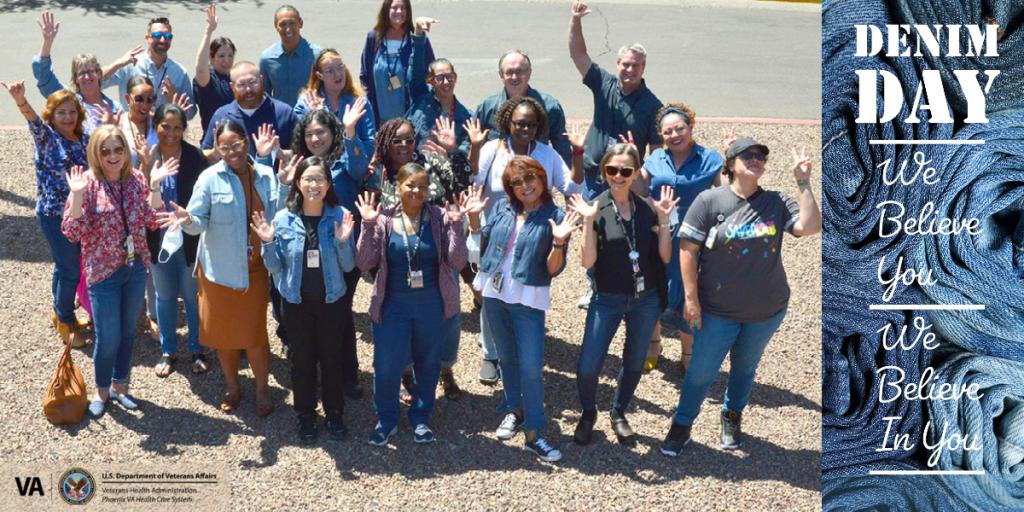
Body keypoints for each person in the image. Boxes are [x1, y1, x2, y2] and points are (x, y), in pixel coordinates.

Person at [660, 139, 821, 456]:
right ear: (731, 164)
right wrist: (691, 299)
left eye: (760, 156)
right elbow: (687, 252)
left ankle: (731, 416)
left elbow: (809, 227)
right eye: (748, 155)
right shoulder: (710, 201)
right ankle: (682, 424)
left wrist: (803, 183)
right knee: (701, 372)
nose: (756, 160)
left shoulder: (776, 201)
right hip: (718, 310)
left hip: (766, 309)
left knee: (745, 369)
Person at [158, 120, 286, 417]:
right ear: (217, 148)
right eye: (224, 147)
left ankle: (263, 388)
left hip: (254, 269)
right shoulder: (209, 178)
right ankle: (232, 386)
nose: (232, 152)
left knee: (255, 334)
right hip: (218, 272)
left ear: (246, 142)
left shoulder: (266, 175)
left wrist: (273, 232)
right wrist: (187, 221)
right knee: (224, 336)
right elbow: (198, 221)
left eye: (236, 144)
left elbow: (280, 214)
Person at [466, 158, 581, 462]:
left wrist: (558, 243)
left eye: (529, 178)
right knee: (506, 357)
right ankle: (513, 410)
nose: (524, 186)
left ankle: (535, 434)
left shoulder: (555, 216)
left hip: (528, 297)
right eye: (516, 182)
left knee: (531, 368)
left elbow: (553, 270)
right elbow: (481, 245)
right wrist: (474, 220)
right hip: (494, 292)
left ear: (542, 179)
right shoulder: (504, 208)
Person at [61, 124, 178, 417]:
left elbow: (151, 219)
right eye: (106, 151)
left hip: (135, 267)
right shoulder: (87, 184)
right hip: (102, 274)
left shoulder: (136, 178)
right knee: (108, 337)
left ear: (126, 152)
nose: (113, 156)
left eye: (118, 150)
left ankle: (120, 387)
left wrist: (155, 186)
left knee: (127, 333)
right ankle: (100, 391)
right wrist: (76, 196)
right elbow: (72, 231)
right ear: (96, 154)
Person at [464, 98, 584, 385]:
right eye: (519, 123)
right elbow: (474, 174)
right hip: (494, 234)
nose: (525, 128)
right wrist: (475, 146)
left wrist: (577, 152)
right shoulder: (492, 149)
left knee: (525, 294)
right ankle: (491, 354)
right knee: (490, 294)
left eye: (531, 124)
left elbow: (571, 185)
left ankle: (520, 351)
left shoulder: (547, 154)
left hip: (532, 237)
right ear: (508, 122)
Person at [567, 143, 677, 446]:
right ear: (604, 171)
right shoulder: (596, 207)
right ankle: (589, 413)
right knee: (589, 365)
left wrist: (665, 220)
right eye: (612, 170)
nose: (618, 176)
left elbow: (665, 257)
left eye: (625, 171)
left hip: (646, 297)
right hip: (608, 297)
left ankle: (618, 412)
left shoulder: (647, 209)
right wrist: (588, 221)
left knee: (634, 361)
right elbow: (586, 261)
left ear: (635, 173)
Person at [354, 164, 468, 446]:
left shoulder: (440, 217)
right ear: (398, 185)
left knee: (428, 363)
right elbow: (364, 262)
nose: (416, 191)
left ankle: (421, 417)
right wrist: (367, 225)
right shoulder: (383, 219)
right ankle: (387, 419)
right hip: (393, 305)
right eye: (410, 185)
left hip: (431, 304)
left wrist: (456, 225)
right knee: (387, 365)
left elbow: (458, 262)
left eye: (422, 186)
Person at [252, 157, 356, 444]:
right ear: (298, 182)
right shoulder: (283, 219)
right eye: (308, 179)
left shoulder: (339, 216)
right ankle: (306, 415)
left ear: (328, 184)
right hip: (296, 302)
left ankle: (334, 413)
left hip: (331, 301)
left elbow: (348, 267)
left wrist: (344, 241)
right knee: (302, 362)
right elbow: (274, 268)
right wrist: (268, 242)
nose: (313, 185)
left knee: (332, 359)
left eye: (319, 179)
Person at [367, 117, 471, 399]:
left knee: (449, 317)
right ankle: (407, 374)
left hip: (436, 254)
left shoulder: (433, 163)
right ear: (386, 143)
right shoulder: (378, 173)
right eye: (396, 140)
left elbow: (460, 187)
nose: (403, 145)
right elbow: (369, 213)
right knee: (403, 323)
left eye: (409, 139)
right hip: (398, 260)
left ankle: (445, 371)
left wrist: (453, 153)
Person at [568, 0, 663, 309]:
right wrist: (575, 21)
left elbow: (658, 155)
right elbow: (578, 55)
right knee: (591, 231)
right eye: (624, 63)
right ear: (618, 64)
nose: (628, 69)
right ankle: (595, 285)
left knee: (619, 236)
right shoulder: (604, 84)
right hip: (596, 178)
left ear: (643, 68)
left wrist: (638, 171)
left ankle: (624, 288)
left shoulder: (653, 106)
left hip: (624, 181)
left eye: (635, 65)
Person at [637, 103, 724, 375]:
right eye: (667, 131)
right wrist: (653, 205)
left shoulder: (710, 159)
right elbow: (639, 189)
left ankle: (688, 352)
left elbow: (725, 195)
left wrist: (732, 158)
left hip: (694, 239)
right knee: (653, 291)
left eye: (679, 129)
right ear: (661, 135)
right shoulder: (655, 159)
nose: (674, 135)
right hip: (659, 233)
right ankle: (654, 344)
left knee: (690, 293)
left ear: (691, 128)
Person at [2, 81, 89, 346]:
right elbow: (33, 122)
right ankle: (65, 320)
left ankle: (58, 310)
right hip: (54, 214)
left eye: (72, 111)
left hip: (79, 214)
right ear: (51, 115)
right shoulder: (48, 137)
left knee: (65, 265)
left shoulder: (85, 139)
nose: (67, 117)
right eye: (61, 112)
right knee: (71, 269)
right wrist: (21, 101)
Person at [148, 103, 208, 378]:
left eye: (177, 127)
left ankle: (197, 349)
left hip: (189, 240)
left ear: (184, 129)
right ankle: (168, 351)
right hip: (158, 240)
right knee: (165, 297)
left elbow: (205, 199)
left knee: (193, 297)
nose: (171, 133)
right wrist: (153, 183)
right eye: (165, 126)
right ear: (156, 126)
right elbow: (143, 203)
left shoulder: (195, 157)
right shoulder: (148, 157)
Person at [474, 50, 572, 166]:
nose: (514, 77)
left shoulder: (549, 107)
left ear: (529, 73)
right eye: (509, 72)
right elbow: (473, 146)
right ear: (501, 75)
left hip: (537, 176)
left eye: (519, 72)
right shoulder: (487, 108)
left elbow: (563, 150)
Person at [31, 10, 120, 134]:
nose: (87, 76)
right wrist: (47, 42)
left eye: (91, 71)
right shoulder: (68, 99)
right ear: (75, 78)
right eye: (81, 73)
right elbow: (43, 75)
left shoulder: (114, 108)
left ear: (99, 74)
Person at [359, 0, 436, 126]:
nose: (399, 11)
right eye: (395, 8)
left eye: (403, 8)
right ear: (386, 10)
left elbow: (431, 74)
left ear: (408, 11)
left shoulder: (417, 40)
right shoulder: (373, 38)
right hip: (379, 120)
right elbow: (364, 75)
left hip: (410, 119)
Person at [102, 16, 195, 118]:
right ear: (147, 38)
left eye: (168, 36)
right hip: (132, 129)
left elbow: (190, 113)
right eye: (157, 35)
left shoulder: (179, 72)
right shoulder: (130, 64)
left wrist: (175, 101)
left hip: (163, 131)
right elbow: (98, 82)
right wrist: (117, 64)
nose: (163, 40)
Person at [294, 47, 376, 162]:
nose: (337, 75)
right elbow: (300, 144)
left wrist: (362, 164)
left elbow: (369, 141)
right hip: (318, 167)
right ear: (319, 75)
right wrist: (317, 114)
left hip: (353, 167)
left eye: (340, 67)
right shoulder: (306, 103)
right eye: (330, 71)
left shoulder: (359, 101)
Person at [201, 61, 297, 158]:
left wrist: (281, 153)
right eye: (241, 85)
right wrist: (215, 153)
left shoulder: (284, 113)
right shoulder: (222, 116)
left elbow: (302, 154)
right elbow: (204, 156)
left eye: (252, 82)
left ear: (261, 80)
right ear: (232, 87)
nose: (248, 90)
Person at [405, 18, 472, 155]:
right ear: (431, 80)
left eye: (450, 77)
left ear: (455, 78)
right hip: (417, 167)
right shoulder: (420, 97)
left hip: (448, 171)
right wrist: (418, 34)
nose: (446, 82)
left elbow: (467, 150)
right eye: (440, 78)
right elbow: (416, 69)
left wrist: (451, 150)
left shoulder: (466, 116)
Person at [259, 5, 322, 107]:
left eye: (292, 23)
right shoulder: (267, 59)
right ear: (276, 26)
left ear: (300, 23)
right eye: (282, 24)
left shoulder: (317, 56)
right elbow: (263, 94)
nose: (288, 29)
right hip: (281, 120)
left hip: (311, 118)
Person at [193, 4, 236, 139]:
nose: (226, 60)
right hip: (213, 140)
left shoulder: (236, 78)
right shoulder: (209, 79)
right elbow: (200, 69)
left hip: (237, 138)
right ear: (211, 59)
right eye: (221, 56)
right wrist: (208, 32)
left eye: (230, 56)